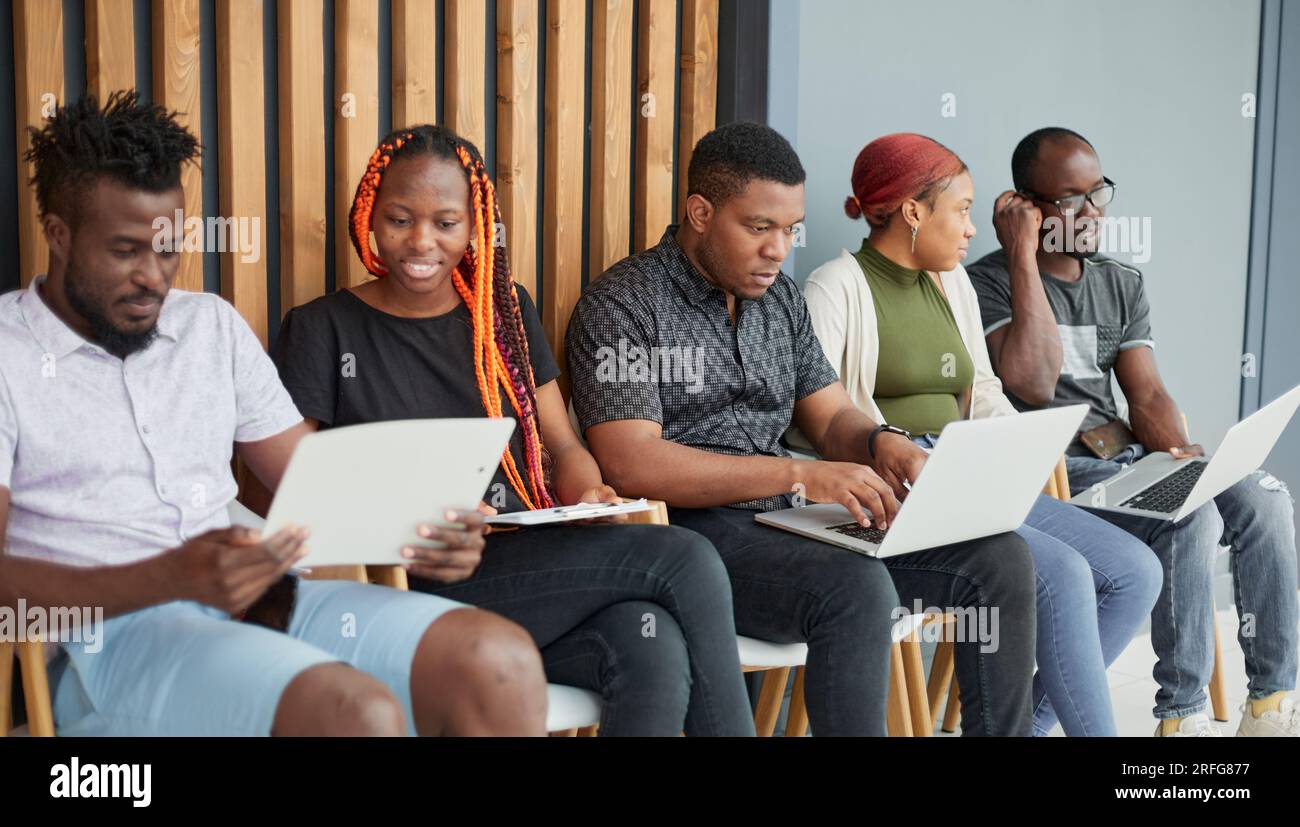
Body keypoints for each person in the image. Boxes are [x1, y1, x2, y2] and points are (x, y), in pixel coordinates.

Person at [0, 91, 549, 737]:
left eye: (169, 247)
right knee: (356, 712)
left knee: (499, 661)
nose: (155, 277)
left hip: (265, 601)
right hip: (106, 644)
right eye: (126, 251)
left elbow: (314, 486)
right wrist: (169, 575)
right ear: (59, 234)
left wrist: (423, 532)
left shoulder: (210, 326)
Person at [272, 124, 755, 737]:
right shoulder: (322, 329)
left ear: (474, 228)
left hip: (524, 562)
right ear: (370, 215)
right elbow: (285, 493)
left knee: (646, 644)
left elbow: (564, 447)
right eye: (399, 219)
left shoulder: (505, 313)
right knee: (684, 558)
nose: (421, 241)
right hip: (407, 581)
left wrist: (586, 494)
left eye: (446, 222)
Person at [567, 121, 1037, 736]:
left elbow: (831, 415)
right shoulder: (623, 304)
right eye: (758, 227)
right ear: (700, 212)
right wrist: (797, 473)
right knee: (857, 590)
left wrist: (879, 443)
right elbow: (631, 462)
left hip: (789, 524)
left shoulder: (779, 301)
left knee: (999, 559)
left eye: (790, 230)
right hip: (692, 538)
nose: (779, 249)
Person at [803, 132, 1162, 736]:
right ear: (914, 212)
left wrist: (1009, 450)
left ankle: (1034, 725)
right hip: (904, 489)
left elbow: (987, 391)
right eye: (963, 211)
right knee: (1068, 574)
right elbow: (824, 422)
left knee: (1135, 572)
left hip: (971, 472)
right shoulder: (834, 287)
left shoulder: (953, 284)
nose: (974, 230)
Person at [967, 126, 1299, 737]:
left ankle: (1271, 704)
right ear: (1025, 207)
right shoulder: (984, 283)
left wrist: (1180, 452)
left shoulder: (1121, 282)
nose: (1092, 213)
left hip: (1124, 456)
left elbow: (1145, 392)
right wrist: (1022, 257)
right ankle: (1182, 713)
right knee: (1187, 514)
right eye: (1071, 200)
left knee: (1265, 497)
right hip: (1057, 472)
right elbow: (1031, 383)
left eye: (1099, 193)